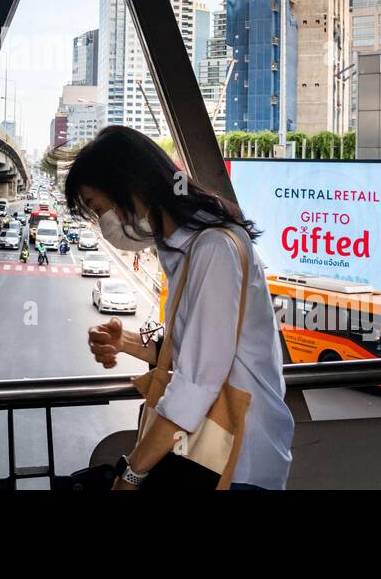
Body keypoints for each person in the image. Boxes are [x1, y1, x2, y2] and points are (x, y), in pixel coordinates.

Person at [68, 125, 293, 491]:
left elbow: (199, 381)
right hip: (216, 458)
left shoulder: (212, 249)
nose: (102, 222)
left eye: (98, 208)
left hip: (238, 462)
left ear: (130, 187)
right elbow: (203, 353)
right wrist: (125, 342)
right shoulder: (184, 250)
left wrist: (132, 473)